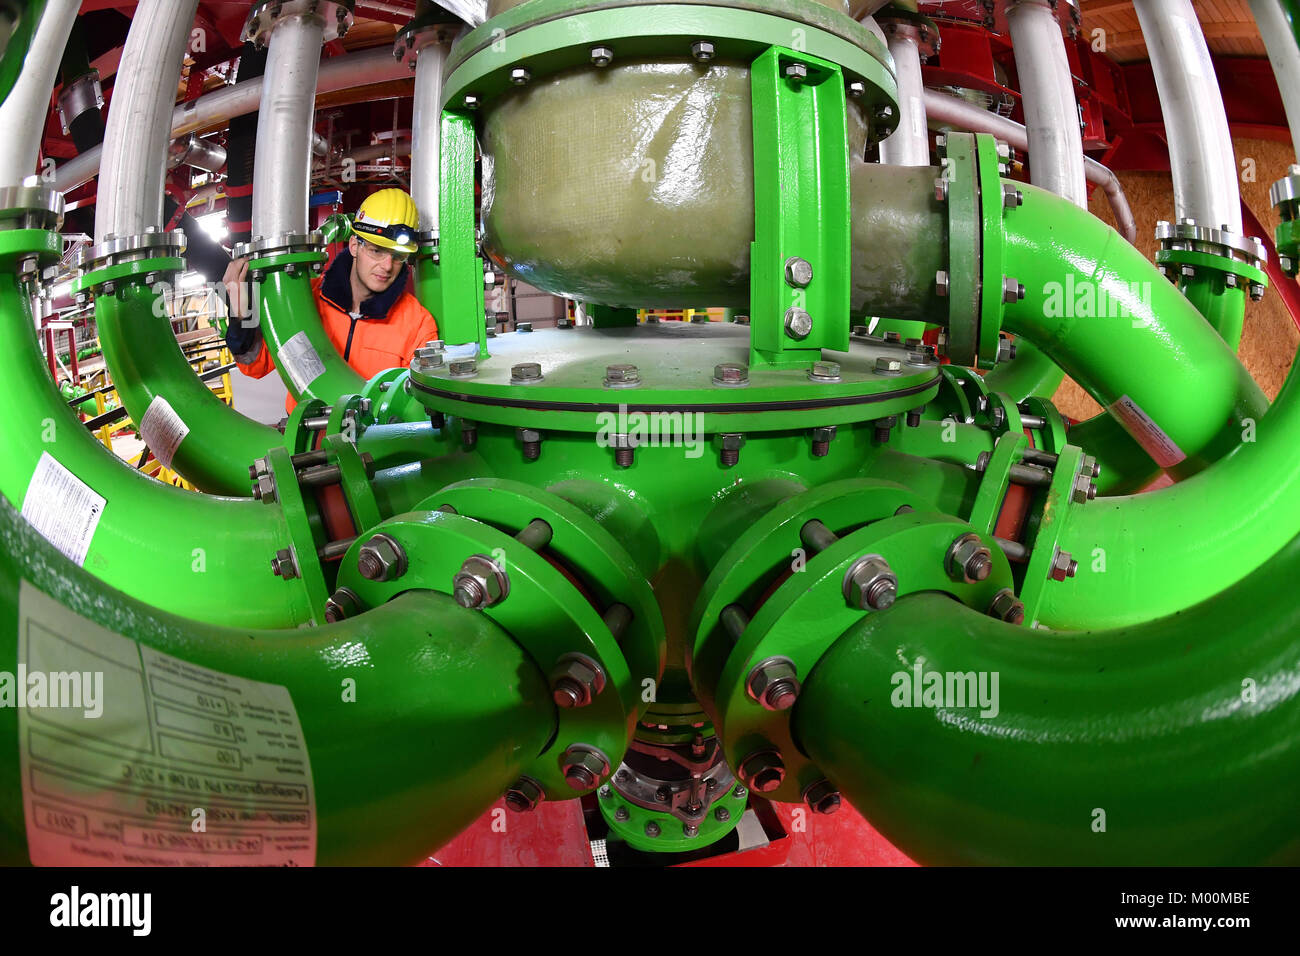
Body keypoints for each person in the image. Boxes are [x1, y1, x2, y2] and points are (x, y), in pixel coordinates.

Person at [223, 188, 439, 409]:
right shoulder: (306, 301)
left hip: (376, 438)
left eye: (398, 256)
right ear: (355, 245)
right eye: (377, 251)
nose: (387, 266)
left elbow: (415, 407)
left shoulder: (418, 325)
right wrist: (241, 315)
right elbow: (256, 366)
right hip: (306, 437)